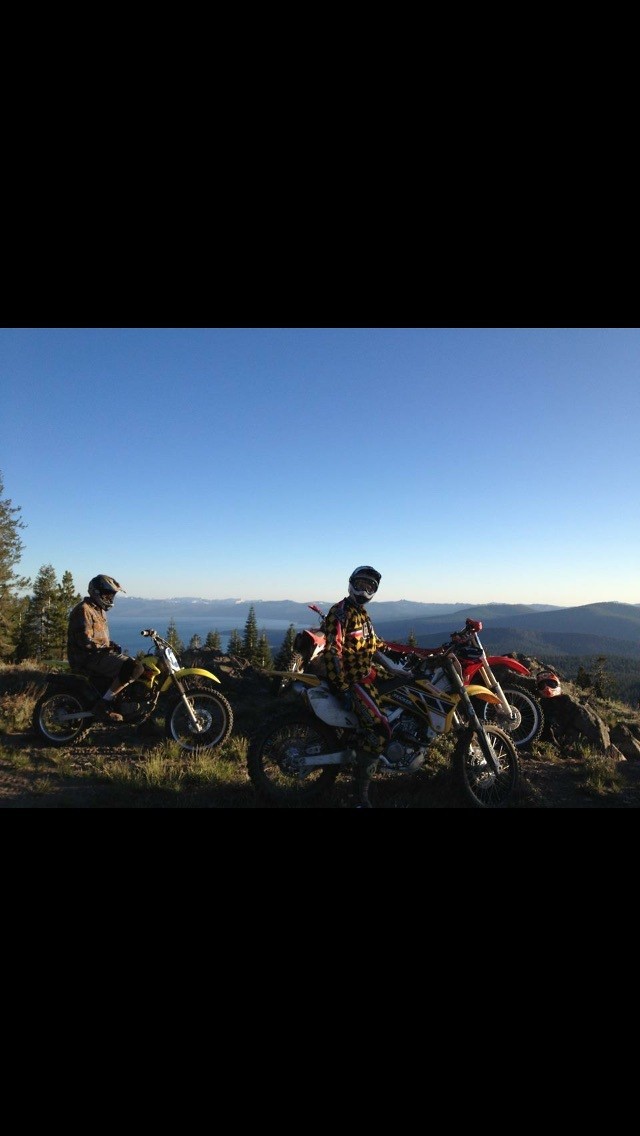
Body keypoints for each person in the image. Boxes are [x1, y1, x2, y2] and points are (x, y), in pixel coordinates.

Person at [323, 565, 409, 808]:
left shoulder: (362, 614)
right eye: (360, 583)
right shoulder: (340, 613)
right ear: (351, 583)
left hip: (368, 675)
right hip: (352, 681)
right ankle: (357, 796)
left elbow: (373, 645)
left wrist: (395, 666)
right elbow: (332, 650)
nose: (364, 589)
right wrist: (341, 687)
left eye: (369, 586)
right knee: (380, 730)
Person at [67, 575, 144, 722]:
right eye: (107, 594)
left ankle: (138, 715)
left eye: (112, 595)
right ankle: (103, 705)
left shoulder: (98, 610)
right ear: (97, 592)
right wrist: (106, 647)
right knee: (134, 668)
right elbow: (84, 640)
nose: (110, 598)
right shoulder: (84, 610)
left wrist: (110, 644)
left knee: (141, 667)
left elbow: (98, 637)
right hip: (87, 658)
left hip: (97, 655)